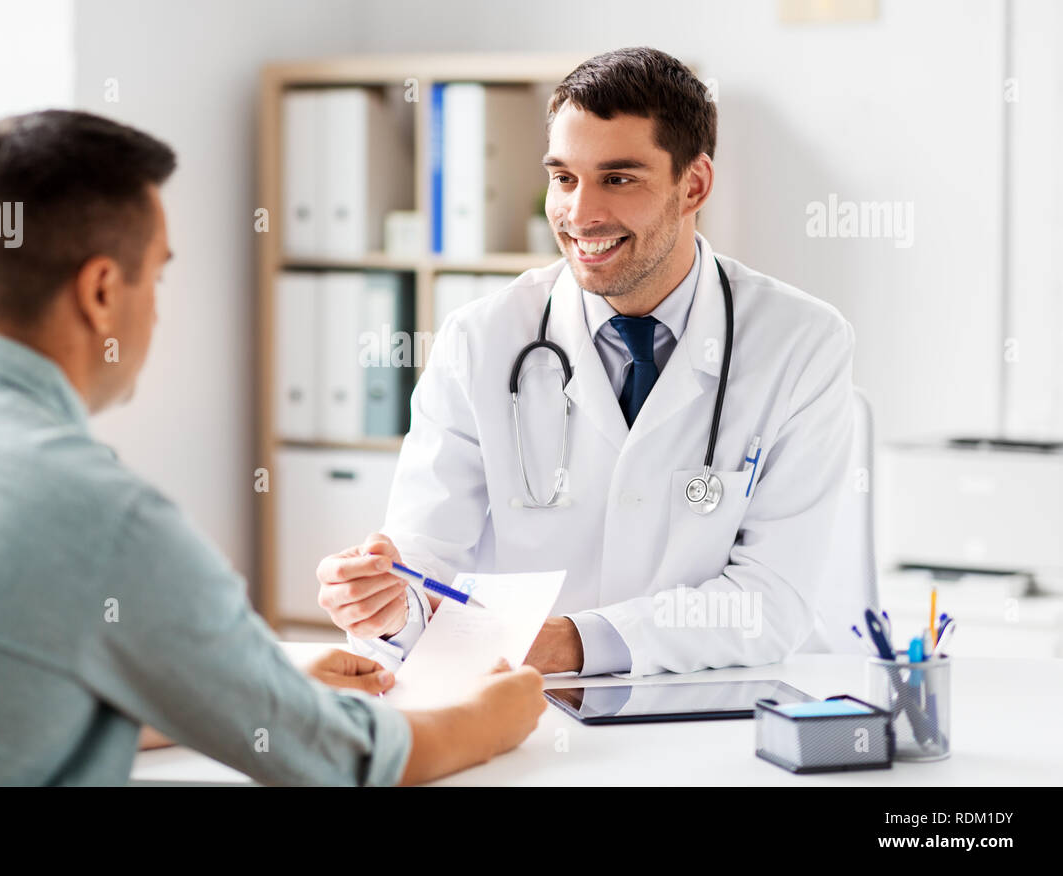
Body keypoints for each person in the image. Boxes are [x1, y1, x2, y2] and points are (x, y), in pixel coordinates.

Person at [0, 110, 543, 786]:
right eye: (156, 280)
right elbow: (339, 761)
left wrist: (252, 685)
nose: (156, 316)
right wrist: (487, 717)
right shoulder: (100, 515)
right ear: (103, 290)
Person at [318, 47, 857, 678]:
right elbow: (424, 562)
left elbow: (772, 600)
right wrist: (386, 605)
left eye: (618, 179)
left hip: (708, 714)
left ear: (696, 185)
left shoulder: (802, 342)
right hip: (525, 710)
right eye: (564, 178)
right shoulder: (480, 340)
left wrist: (569, 642)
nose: (580, 215)